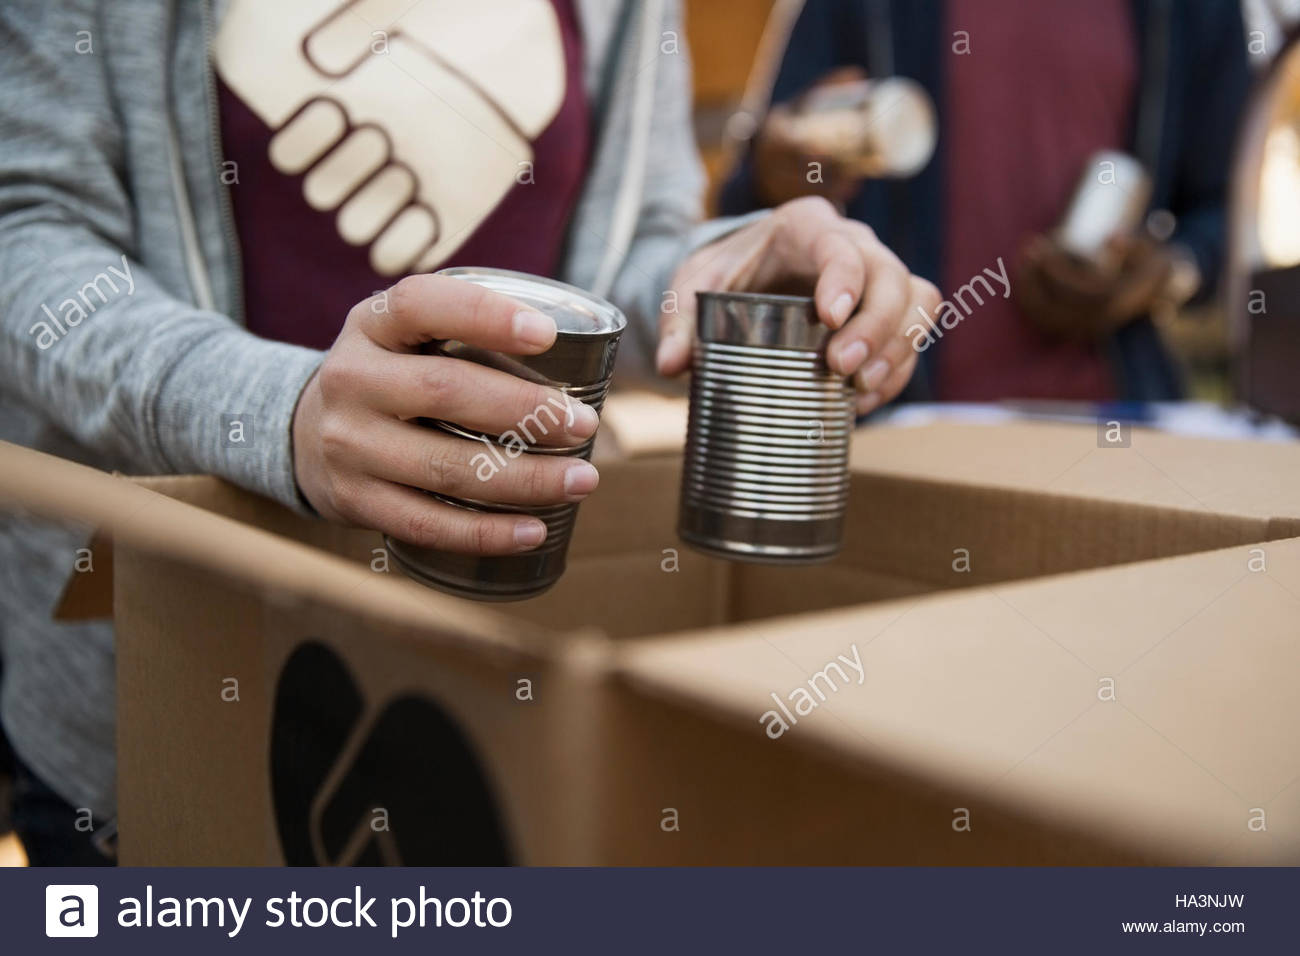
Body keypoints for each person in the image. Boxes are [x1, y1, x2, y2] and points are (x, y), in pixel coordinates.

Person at [0, 1, 937, 863]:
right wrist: (282, 411)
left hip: (485, 677)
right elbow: (24, 229)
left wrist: (739, 272)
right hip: (159, 676)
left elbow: (618, 270)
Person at [720, 0, 1252, 402]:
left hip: (1114, 425)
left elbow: (1221, 211)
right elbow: (746, 203)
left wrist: (1165, 273)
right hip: (899, 423)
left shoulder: (1191, 10)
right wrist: (780, 171)